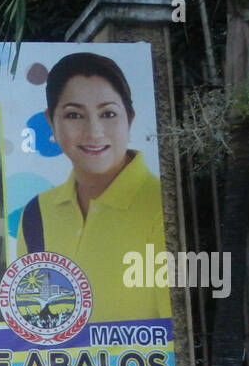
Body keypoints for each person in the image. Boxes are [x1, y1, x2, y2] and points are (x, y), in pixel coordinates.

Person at [16, 52, 169, 323]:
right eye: (74, 115)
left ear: (130, 119)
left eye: (108, 113)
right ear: (51, 122)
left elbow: (175, 331)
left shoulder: (162, 206)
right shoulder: (35, 213)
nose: (94, 131)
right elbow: (33, 320)